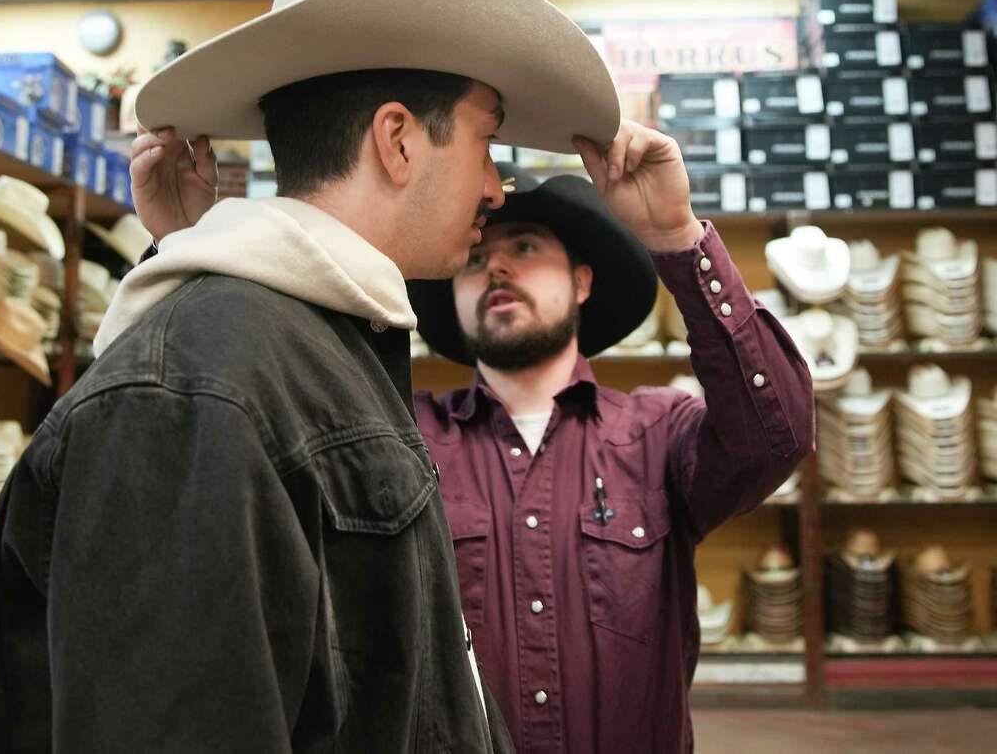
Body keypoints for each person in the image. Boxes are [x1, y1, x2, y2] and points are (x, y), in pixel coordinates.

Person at [0, 0, 623, 752]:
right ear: (397, 141)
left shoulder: (306, 347)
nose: (494, 187)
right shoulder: (194, 394)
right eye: (486, 142)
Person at [142, 135, 815, 752]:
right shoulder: (396, 436)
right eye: (474, 259)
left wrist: (676, 233)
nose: (495, 270)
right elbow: (229, 448)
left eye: (524, 247)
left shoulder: (658, 434)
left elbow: (777, 433)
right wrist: (187, 250)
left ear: (582, 280)